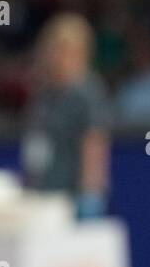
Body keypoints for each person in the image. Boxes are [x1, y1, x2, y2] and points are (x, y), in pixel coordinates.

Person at [21, 13, 112, 218]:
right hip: (42, 194)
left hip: (72, 197)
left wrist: (90, 192)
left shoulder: (88, 93)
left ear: (80, 53)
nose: (55, 57)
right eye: (51, 50)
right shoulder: (43, 93)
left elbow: (94, 143)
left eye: (63, 50)